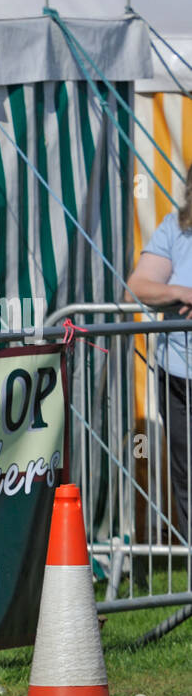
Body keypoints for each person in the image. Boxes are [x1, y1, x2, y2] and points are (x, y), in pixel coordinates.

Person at [127, 165, 192, 539]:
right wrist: (178, 293)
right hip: (178, 374)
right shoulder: (175, 227)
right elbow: (135, 288)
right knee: (186, 475)